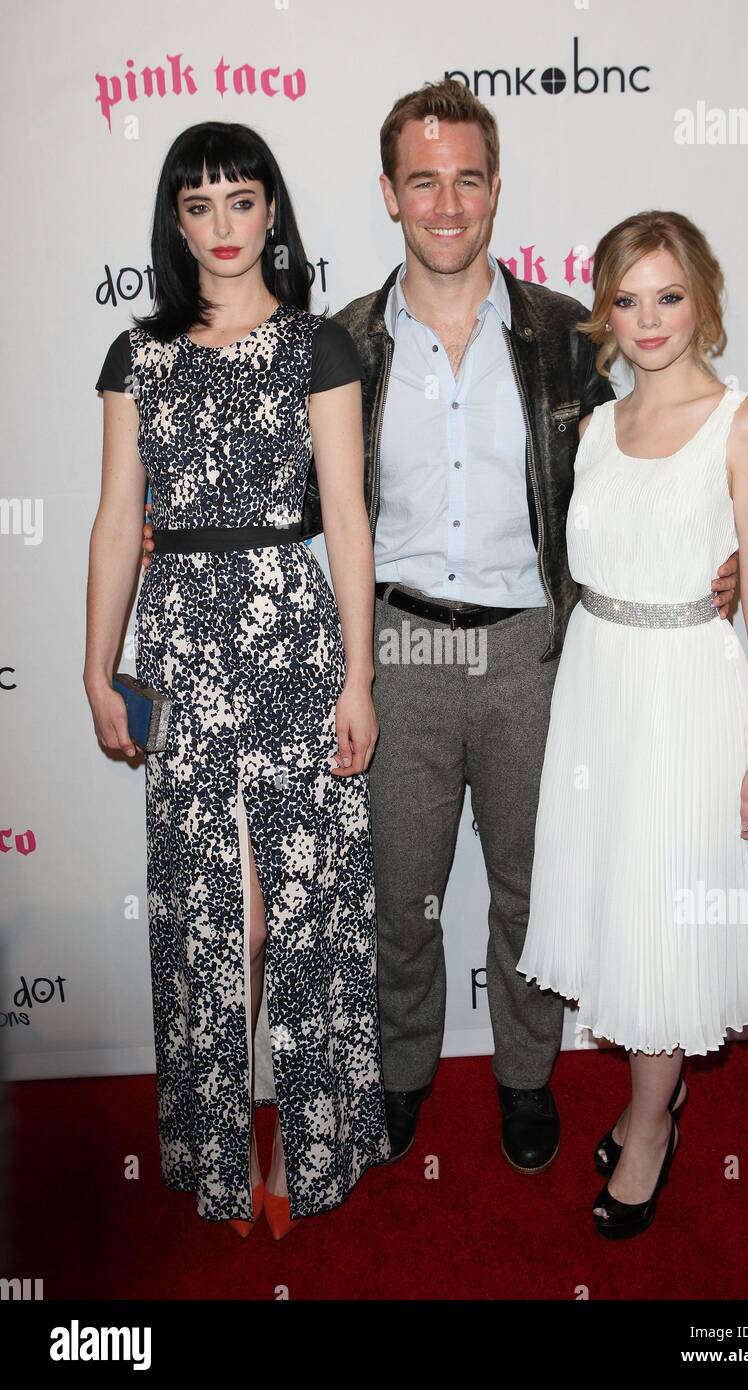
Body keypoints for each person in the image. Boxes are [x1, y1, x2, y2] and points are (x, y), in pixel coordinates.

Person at [141, 82, 739, 1174]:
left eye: (467, 177)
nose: (446, 202)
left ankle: (523, 1080)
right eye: (423, 179)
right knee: (397, 895)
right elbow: (258, 476)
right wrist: (163, 537)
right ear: (388, 193)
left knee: (528, 887)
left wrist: (723, 553)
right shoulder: (342, 341)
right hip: (396, 649)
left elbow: (666, 441)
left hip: (530, 650)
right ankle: (401, 1074)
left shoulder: (567, 336)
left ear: (495, 189)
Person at [84, 121, 390, 1239]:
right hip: (176, 648)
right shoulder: (137, 354)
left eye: (241, 202)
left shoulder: (320, 348)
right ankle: (220, 1143)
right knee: (210, 912)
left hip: (292, 640)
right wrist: (94, 664)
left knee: (293, 909)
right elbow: (120, 518)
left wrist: (360, 676)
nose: (222, 228)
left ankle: (300, 1139)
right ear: (175, 222)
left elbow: (348, 520)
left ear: (272, 212)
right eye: (199, 206)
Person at [516, 210, 748, 1238]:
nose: (647, 320)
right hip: (596, 695)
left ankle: (648, 1128)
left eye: (668, 296)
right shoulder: (595, 425)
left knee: (662, 924)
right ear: (603, 310)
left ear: (704, 300)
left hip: (689, 697)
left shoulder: (744, 424)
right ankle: (661, 1095)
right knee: (616, 914)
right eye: (626, 299)